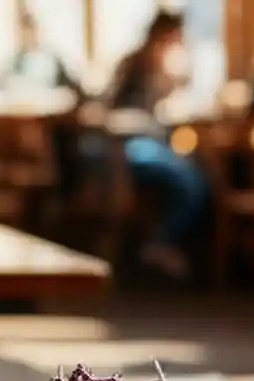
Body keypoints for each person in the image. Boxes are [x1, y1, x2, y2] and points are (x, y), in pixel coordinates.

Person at [110, 12, 207, 281]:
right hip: (131, 146)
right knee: (188, 180)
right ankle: (159, 244)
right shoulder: (132, 67)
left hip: (157, 142)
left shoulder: (166, 71)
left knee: (199, 176)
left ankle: (163, 244)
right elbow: (114, 114)